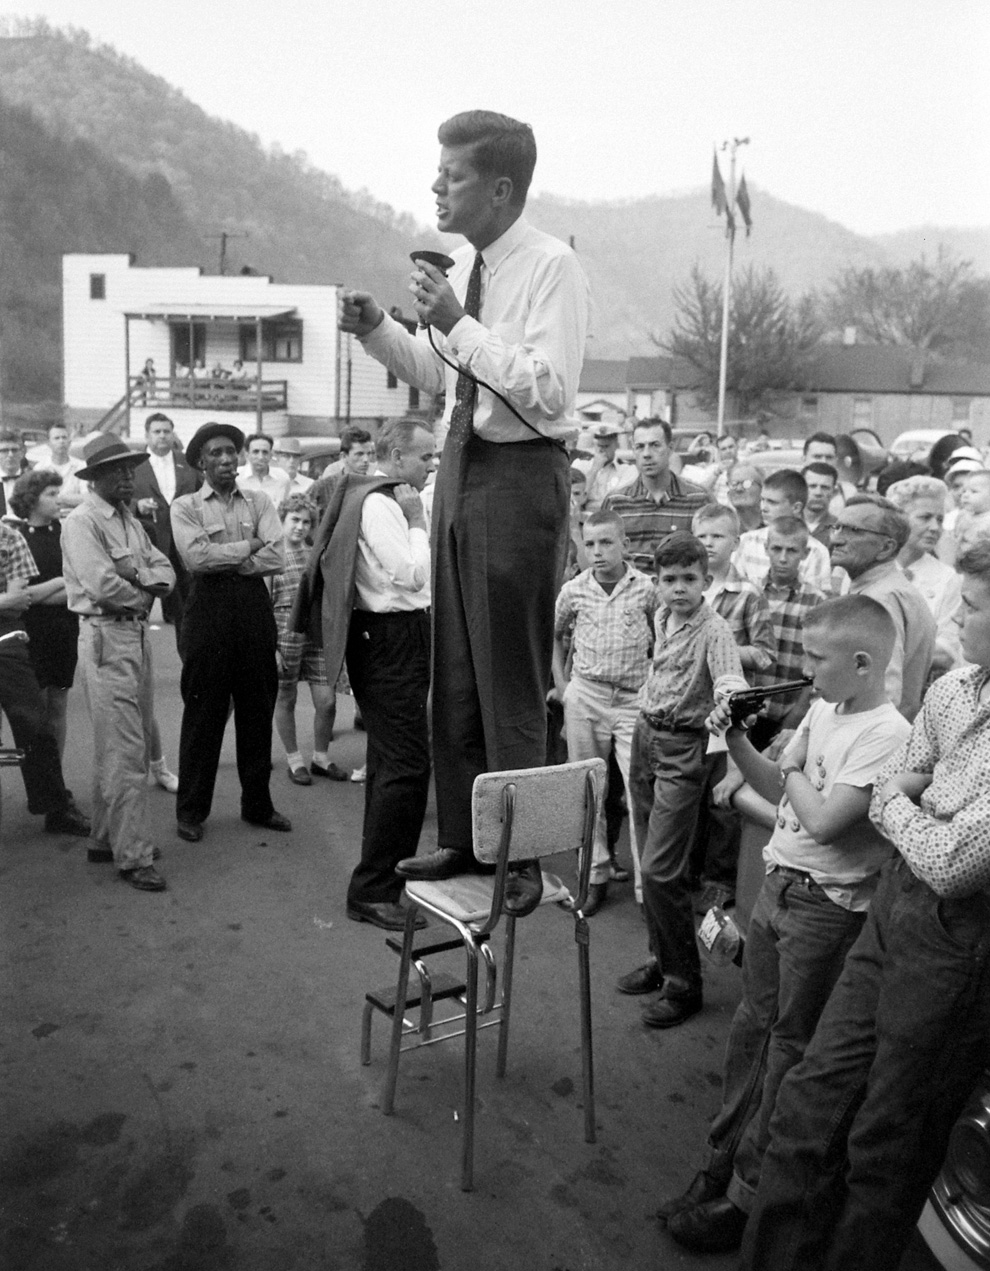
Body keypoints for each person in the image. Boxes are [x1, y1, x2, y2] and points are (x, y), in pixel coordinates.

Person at [339, 110, 590, 917]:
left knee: (508, 673)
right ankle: (468, 832)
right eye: (438, 170)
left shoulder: (551, 266)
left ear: (502, 186)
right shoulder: (464, 267)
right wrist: (379, 330)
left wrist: (454, 318)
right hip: (459, 465)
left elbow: (546, 389)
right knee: (456, 668)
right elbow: (447, 374)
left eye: (453, 173)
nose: (437, 185)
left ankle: (518, 855)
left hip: (518, 473)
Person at [739, 540, 990, 1271]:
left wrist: (902, 806)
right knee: (811, 1101)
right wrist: (909, 807)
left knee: (887, 1140)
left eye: (971, 608)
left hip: (959, 941)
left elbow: (953, 862)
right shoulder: (955, 690)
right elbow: (904, 795)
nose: (955, 622)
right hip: (896, 910)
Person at [662, 595, 912, 1255]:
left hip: (826, 909)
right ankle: (719, 1161)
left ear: (862, 663)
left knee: (787, 1053)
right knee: (753, 1031)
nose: (809, 670)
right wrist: (737, 736)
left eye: (818, 659)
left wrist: (796, 768)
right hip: (781, 887)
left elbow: (828, 819)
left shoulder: (887, 732)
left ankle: (747, 1193)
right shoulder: (827, 709)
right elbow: (780, 789)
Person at [617, 532, 746, 1028]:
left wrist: (730, 700)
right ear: (657, 583)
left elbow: (730, 679)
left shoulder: (714, 631)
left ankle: (684, 983)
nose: (678, 589)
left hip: (683, 749)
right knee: (647, 857)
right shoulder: (661, 616)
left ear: (706, 581)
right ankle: (662, 957)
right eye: (669, 580)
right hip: (646, 736)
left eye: (688, 579)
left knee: (660, 869)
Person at [61, 435, 175, 892]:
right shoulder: (82, 522)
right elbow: (104, 585)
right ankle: (133, 855)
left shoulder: (127, 518)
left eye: (132, 468)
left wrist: (142, 578)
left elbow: (164, 565)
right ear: (97, 477)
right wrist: (146, 590)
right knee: (126, 750)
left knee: (123, 741)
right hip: (108, 635)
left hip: (133, 634)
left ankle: (105, 838)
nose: (130, 476)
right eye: (121, 470)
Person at [170, 423, 290, 842]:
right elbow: (196, 560)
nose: (226, 459)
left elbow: (278, 555)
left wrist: (233, 556)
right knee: (203, 714)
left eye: (231, 452)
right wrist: (248, 547)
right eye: (216, 453)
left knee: (258, 711)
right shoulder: (185, 507)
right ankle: (190, 811)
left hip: (254, 612)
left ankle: (258, 805)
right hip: (207, 615)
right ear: (200, 461)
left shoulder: (259, 501)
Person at [340, 420, 435, 930]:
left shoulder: (375, 495)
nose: (430, 465)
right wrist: (417, 520)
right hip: (389, 637)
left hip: (395, 635)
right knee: (406, 766)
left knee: (389, 762)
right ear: (396, 457)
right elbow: (411, 574)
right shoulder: (382, 503)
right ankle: (374, 889)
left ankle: (383, 877)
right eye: (425, 457)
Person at [552, 508, 659, 916]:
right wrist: (564, 688)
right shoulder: (574, 590)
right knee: (588, 790)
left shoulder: (647, 589)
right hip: (587, 696)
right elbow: (555, 635)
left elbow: (661, 637)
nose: (597, 552)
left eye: (606, 543)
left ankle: (648, 889)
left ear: (625, 545)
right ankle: (593, 876)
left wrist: (652, 685)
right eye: (590, 544)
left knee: (639, 793)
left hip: (633, 700)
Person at [690, 502, 775, 909]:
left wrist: (719, 648)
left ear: (736, 542)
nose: (708, 543)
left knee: (724, 798)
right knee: (692, 790)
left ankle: (720, 879)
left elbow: (764, 655)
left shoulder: (748, 596)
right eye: (702, 536)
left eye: (717, 536)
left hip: (729, 714)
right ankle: (690, 869)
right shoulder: (688, 588)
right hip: (691, 709)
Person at [0, 518, 90, 839]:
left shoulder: (10, 538)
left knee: (34, 723)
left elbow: (17, 602)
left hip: (6, 638)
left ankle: (55, 807)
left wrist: (7, 601)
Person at [829, 495, 935, 720]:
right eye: (836, 528)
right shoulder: (882, 590)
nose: (836, 539)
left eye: (853, 530)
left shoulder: (881, 599)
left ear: (886, 547)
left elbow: (885, 693)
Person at [269, 493, 348, 785]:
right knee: (285, 697)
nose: (300, 527)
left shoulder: (315, 554)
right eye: (294, 520)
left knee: (326, 701)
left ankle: (321, 757)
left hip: (314, 633)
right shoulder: (272, 555)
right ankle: (294, 759)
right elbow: (264, 604)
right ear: (282, 520)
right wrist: (271, 647)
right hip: (283, 631)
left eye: (306, 522)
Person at [8, 470, 79, 758]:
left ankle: (57, 778)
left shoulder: (69, 534)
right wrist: (64, 580)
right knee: (35, 709)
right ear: (32, 500)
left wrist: (50, 590)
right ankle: (43, 783)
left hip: (64, 628)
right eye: (50, 494)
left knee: (58, 704)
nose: (58, 500)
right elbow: (23, 597)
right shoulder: (18, 539)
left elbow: (80, 587)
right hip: (31, 632)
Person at [746, 517, 824, 752]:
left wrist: (797, 714)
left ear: (805, 553)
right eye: (776, 549)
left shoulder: (816, 601)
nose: (783, 558)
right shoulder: (749, 592)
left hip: (787, 713)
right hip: (747, 710)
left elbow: (815, 666)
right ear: (766, 548)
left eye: (791, 550)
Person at [602, 418, 709, 573]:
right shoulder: (616, 502)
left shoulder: (698, 499)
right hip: (630, 593)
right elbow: (604, 557)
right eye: (640, 447)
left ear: (670, 448)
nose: (646, 454)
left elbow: (710, 556)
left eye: (655, 445)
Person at [131, 413, 200, 649]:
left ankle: (189, 654)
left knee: (189, 606)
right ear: (147, 435)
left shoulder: (187, 463)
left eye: (166, 431)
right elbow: (123, 499)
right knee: (141, 604)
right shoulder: (135, 465)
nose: (162, 436)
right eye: (156, 431)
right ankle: (135, 650)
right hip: (150, 543)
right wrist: (137, 505)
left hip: (184, 544)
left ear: (173, 433)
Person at [885, 475, 963, 673]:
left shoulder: (948, 579)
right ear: (899, 519)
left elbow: (946, 652)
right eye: (925, 517)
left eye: (940, 519)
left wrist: (881, 653)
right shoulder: (872, 568)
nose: (935, 528)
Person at [733, 469, 834, 595]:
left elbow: (816, 600)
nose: (763, 508)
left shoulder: (816, 551)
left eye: (772, 502)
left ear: (796, 507)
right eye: (762, 500)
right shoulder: (747, 541)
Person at [311, 427, 375, 513]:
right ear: (344, 456)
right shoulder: (323, 487)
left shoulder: (374, 486)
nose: (366, 459)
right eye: (359, 454)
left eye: (369, 454)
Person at [574, 422, 634, 512]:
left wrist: (590, 506)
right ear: (594, 444)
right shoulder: (580, 464)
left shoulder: (627, 469)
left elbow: (620, 503)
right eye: (599, 446)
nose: (601, 450)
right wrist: (594, 470)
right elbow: (575, 500)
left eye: (606, 446)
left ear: (616, 445)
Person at [237, 433, 290, 507]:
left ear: (271, 455)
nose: (261, 457)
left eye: (265, 452)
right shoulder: (236, 477)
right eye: (255, 452)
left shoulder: (282, 478)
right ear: (247, 454)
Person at [801, 461, 839, 546]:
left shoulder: (840, 530)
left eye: (825, 487)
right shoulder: (784, 524)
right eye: (812, 486)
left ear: (834, 492)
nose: (818, 493)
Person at [725, 462, 763, 533]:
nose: (739, 489)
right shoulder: (723, 527)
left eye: (747, 483)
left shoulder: (775, 526)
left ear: (762, 489)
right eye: (734, 484)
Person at [0, 430, 26, 516]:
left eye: (14, 450)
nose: (10, 455)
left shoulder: (32, 481)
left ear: (22, 453)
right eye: (4, 450)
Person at [711, 434, 739, 505]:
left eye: (731, 447)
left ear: (737, 447)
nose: (728, 451)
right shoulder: (712, 468)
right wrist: (717, 472)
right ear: (719, 452)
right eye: (723, 449)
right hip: (717, 511)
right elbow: (701, 490)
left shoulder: (747, 467)